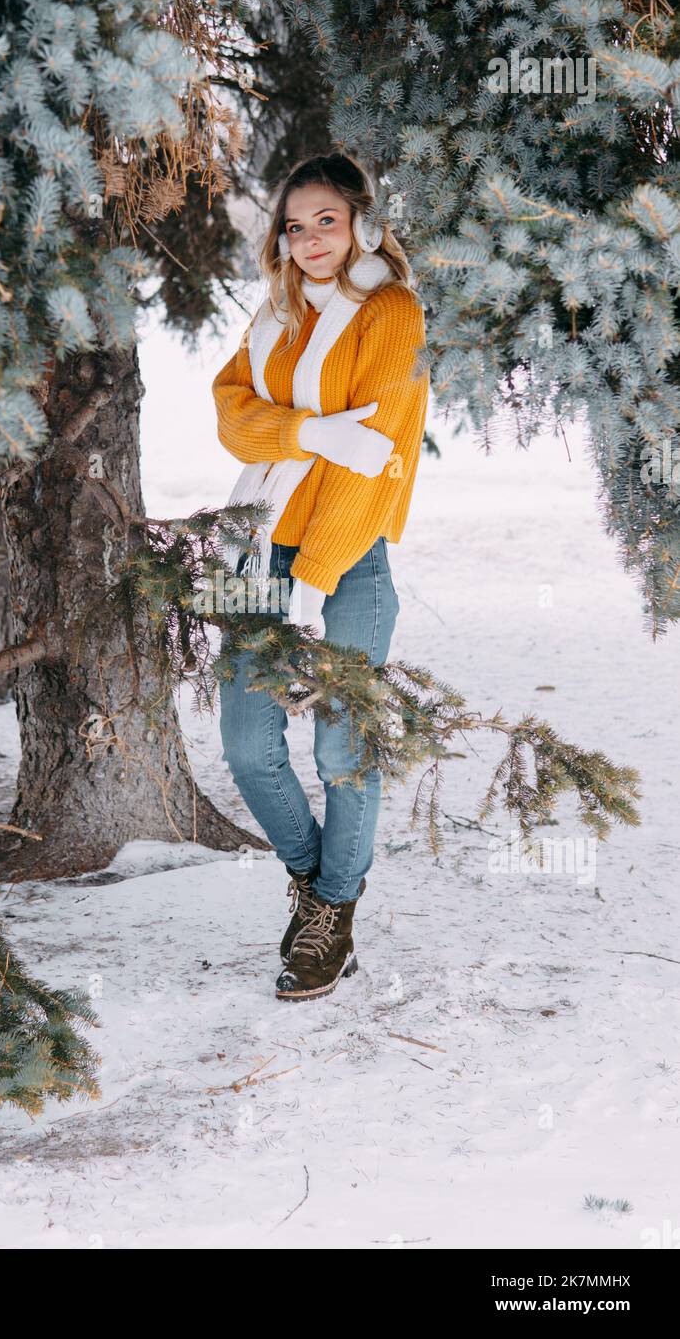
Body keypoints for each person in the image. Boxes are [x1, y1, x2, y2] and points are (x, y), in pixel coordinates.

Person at [212, 152, 429, 1001]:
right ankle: (316, 878)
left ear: (363, 224)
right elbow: (233, 415)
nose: (308, 240)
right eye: (294, 226)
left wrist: (310, 583)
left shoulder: (391, 313)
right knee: (246, 744)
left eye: (325, 221)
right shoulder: (277, 311)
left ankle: (331, 914)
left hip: (347, 558)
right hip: (258, 540)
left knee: (342, 746)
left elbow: (375, 461)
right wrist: (311, 432)